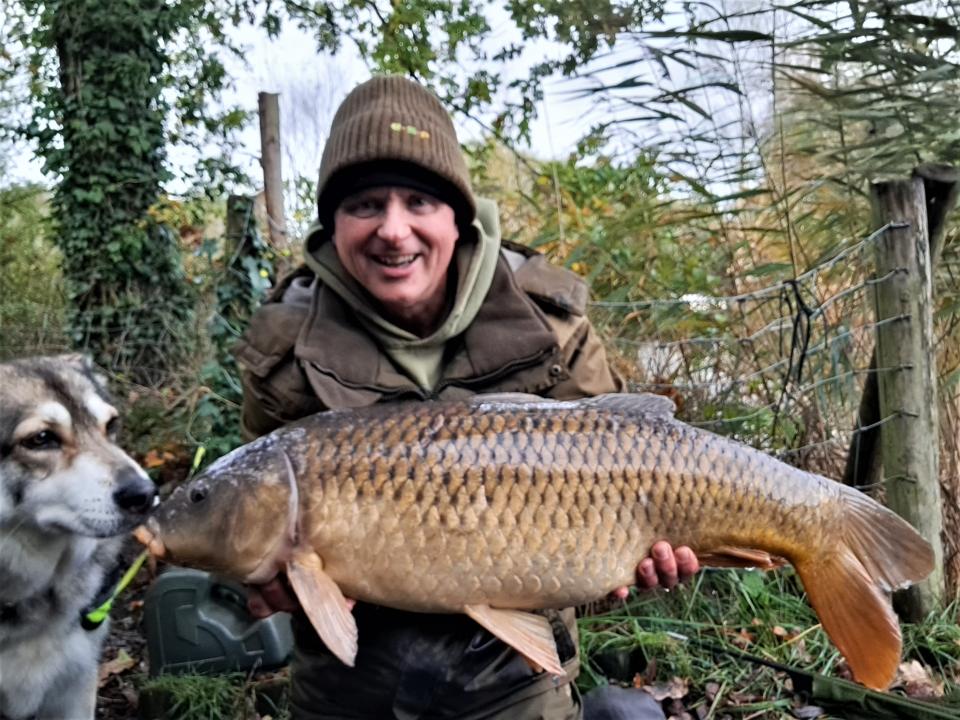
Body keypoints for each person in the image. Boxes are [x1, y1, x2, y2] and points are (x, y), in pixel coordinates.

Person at [234, 74, 699, 720]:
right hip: (350, 673)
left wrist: (633, 562)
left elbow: (616, 499)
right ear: (333, 223)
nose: (394, 231)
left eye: (419, 202)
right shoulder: (284, 346)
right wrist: (273, 581)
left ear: (459, 214)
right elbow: (262, 525)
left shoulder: (549, 325)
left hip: (511, 670)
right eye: (366, 204)